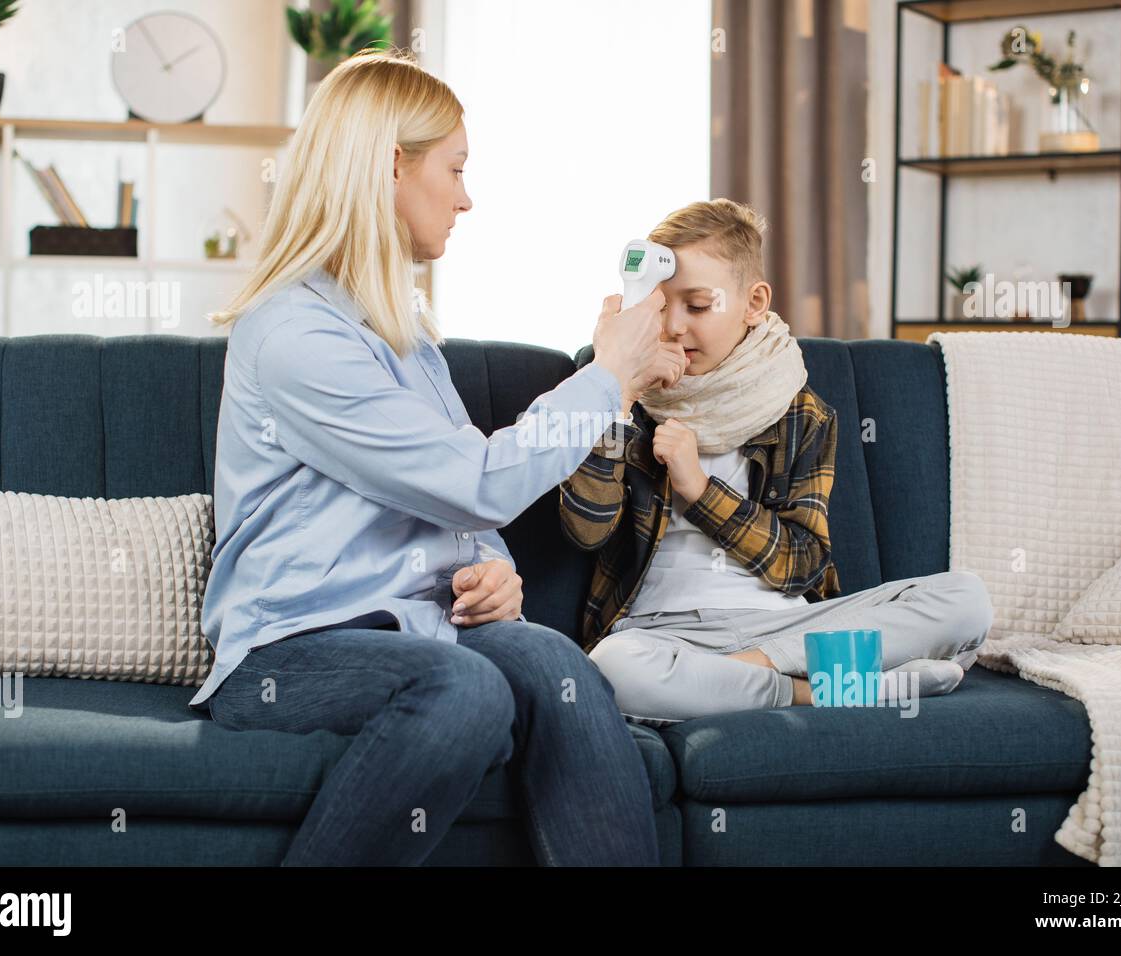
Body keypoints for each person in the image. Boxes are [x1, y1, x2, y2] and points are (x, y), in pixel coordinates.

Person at [193, 49, 680, 865]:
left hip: (418, 626)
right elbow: (474, 482)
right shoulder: (295, 336)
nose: (465, 197)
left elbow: (457, 500)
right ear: (392, 166)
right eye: (454, 169)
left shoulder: (404, 333)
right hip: (292, 650)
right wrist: (610, 378)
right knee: (462, 686)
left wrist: (495, 571)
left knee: (554, 663)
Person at [560, 199, 994, 727]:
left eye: (697, 306)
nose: (673, 326)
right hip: (663, 634)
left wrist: (700, 491)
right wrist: (618, 390)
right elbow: (586, 529)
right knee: (612, 666)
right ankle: (819, 689)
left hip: (790, 631)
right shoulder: (618, 395)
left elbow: (803, 563)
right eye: (660, 306)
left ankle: (743, 674)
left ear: (754, 302)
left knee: (966, 599)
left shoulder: (799, 411)